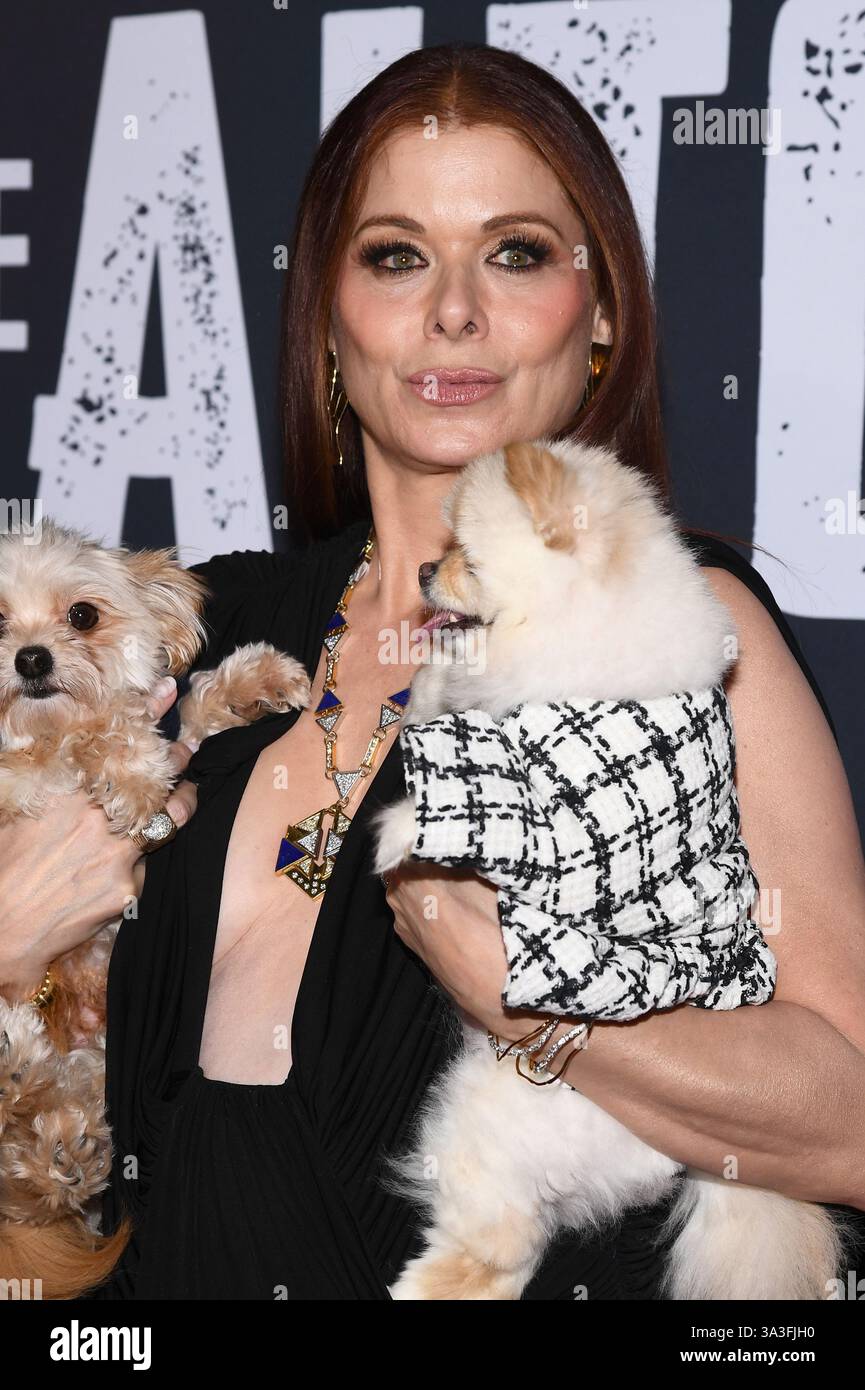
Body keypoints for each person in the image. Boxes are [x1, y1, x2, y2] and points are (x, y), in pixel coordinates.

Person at [3, 42, 864, 1300]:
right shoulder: (196, 628)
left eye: (515, 251)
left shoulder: (684, 630)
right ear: (330, 319)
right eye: (396, 255)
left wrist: (538, 1009)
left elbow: (846, 1113)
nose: (452, 310)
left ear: (603, 309)